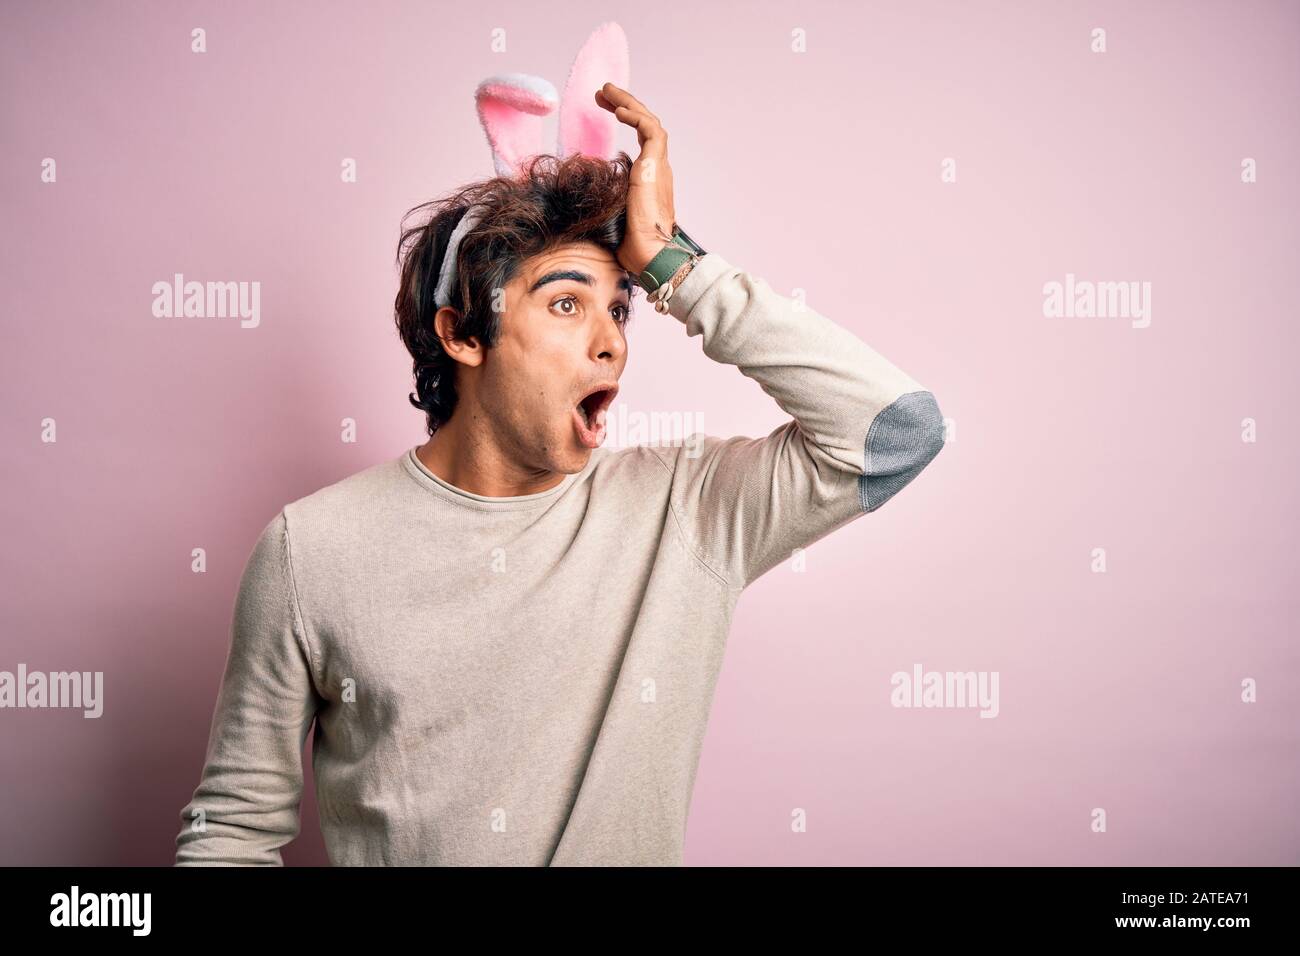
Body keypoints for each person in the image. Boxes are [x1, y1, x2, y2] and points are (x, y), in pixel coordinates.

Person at [174, 83, 946, 866]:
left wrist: (677, 268)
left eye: (620, 308)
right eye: (568, 305)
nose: (612, 342)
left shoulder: (686, 509)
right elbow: (231, 834)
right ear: (464, 333)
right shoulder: (310, 550)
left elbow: (896, 431)